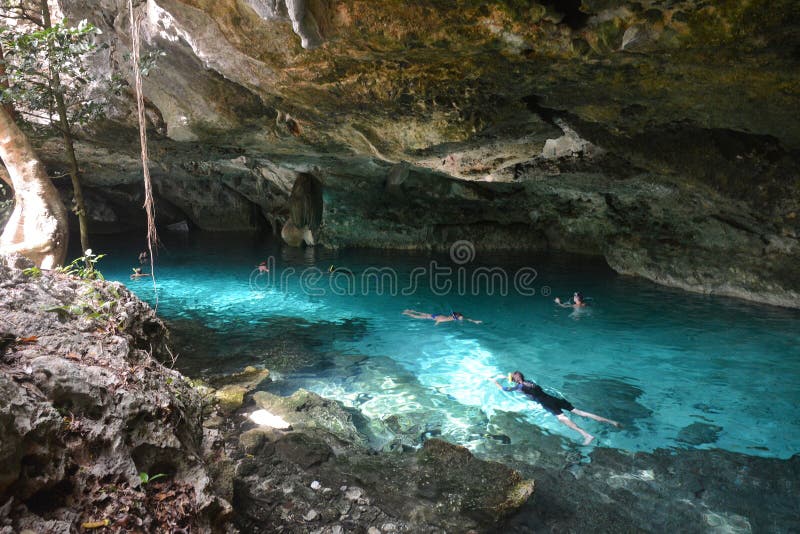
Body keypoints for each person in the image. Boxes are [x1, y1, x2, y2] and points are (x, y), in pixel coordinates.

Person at [492, 371, 619, 445]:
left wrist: (495, 381)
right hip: (554, 399)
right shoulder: (530, 382)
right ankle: (612, 422)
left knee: (564, 420)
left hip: (547, 403)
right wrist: (507, 377)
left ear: (514, 380)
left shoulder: (519, 388)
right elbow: (521, 382)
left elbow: (504, 389)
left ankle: (586, 435)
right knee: (580, 412)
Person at [402, 309, 482, 325]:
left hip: (437, 315)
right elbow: (440, 320)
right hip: (436, 318)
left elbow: (467, 319)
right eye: (461, 318)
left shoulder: (453, 317)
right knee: (418, 317)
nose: (462, 318)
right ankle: (407, 313)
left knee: (423, 313)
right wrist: (436, 324)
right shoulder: (451, 319)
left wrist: (474, 321)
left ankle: (410, 310)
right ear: (457, 317)